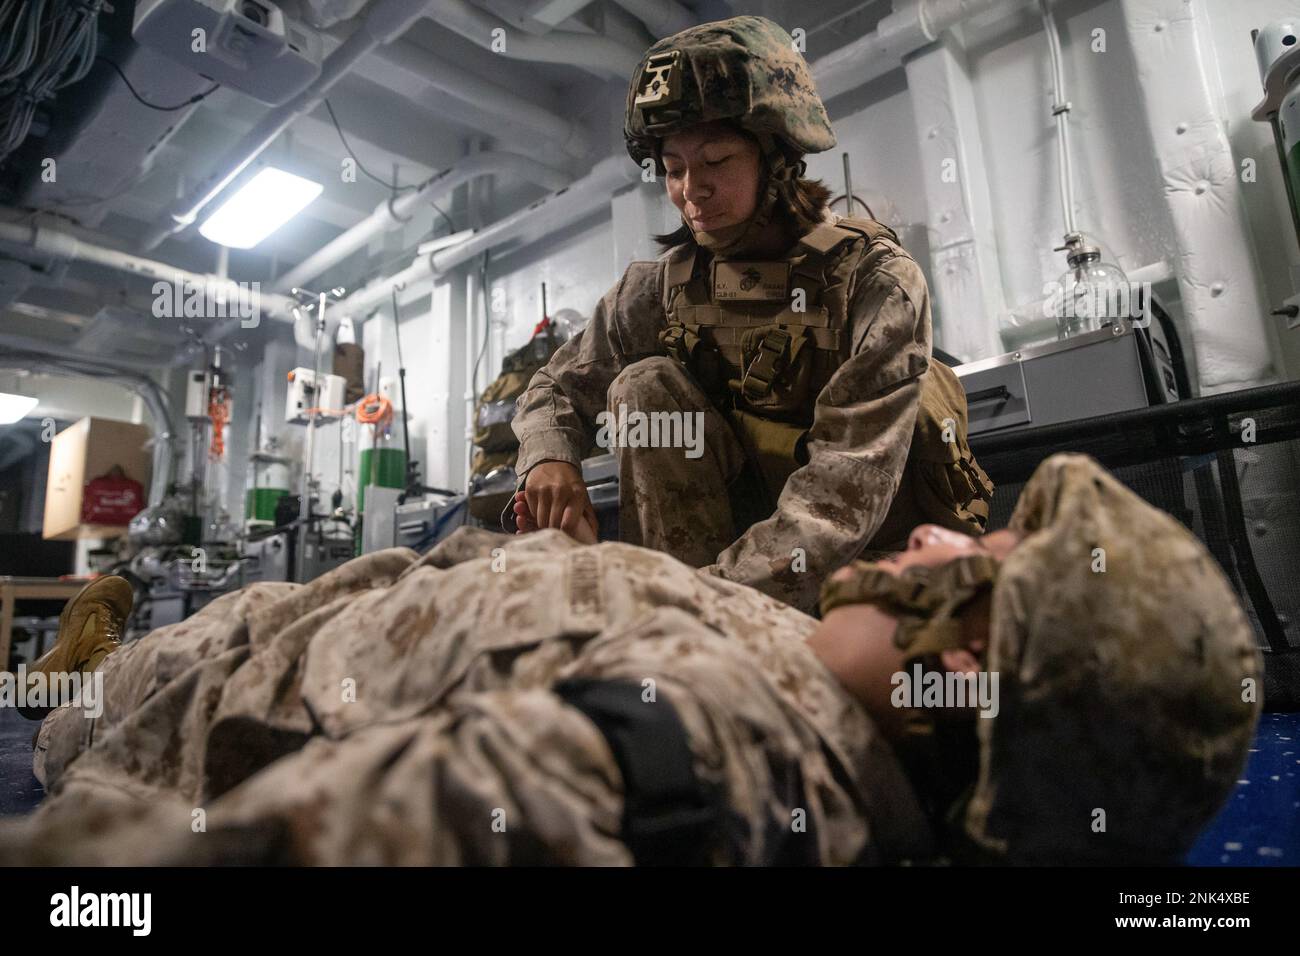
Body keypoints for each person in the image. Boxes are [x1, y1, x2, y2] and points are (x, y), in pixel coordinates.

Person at [0, 454, 1260, 865]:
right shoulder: (826, 672)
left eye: (974, 553)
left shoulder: (714, 757)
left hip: (178, 716)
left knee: (67, 704)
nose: (931, 534)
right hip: (327, 613)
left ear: (973, 668)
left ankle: (67, 679)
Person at [510, 15, 992, 614]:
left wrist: (703, 599)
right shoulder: (659, 289)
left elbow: (843, 492)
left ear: (778, 157)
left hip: (872, 563)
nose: (692, 190)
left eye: (716, 160)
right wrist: (550, 459)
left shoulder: (874, 280)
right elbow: (553, 387)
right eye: (673, 169)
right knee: (643, 386)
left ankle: (687, 619)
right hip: (715, 580)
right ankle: (684, 626)